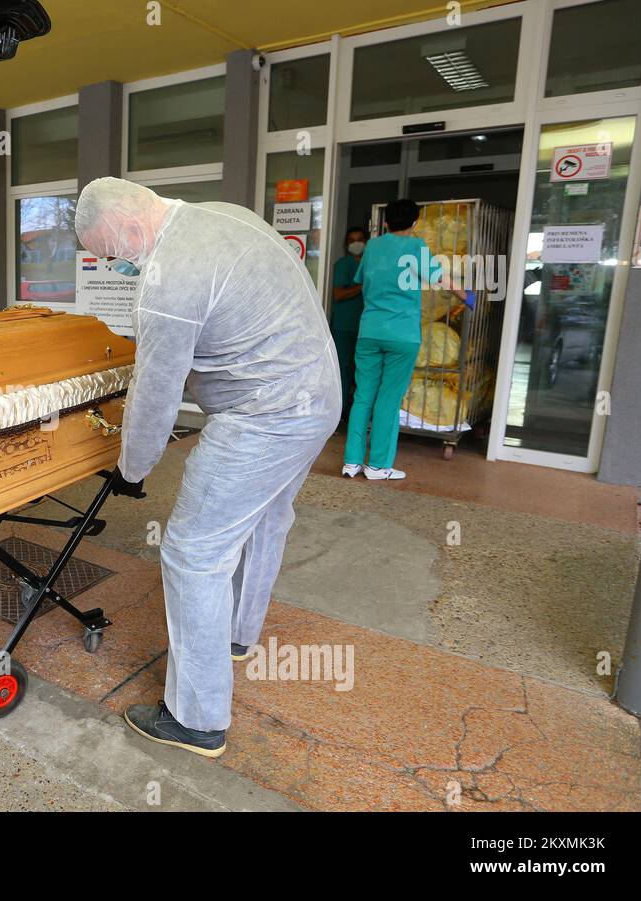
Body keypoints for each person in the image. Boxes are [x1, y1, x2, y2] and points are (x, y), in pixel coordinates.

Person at [74, 177, 340, 758]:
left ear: (131, 228)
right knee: (265, 521)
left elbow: (155, 389)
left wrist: (133, 468)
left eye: (114, 256)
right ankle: (238, 637)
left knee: (193, 553)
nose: (118, 268)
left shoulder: (168, 272)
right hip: (315, 399)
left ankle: (195, 719)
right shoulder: (223, 213)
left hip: (262, 417)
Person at [341, 199, 442, 482]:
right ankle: (377, 466)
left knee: (362, 396)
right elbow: (437, 279)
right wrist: (467, 295)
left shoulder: (372, 247)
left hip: (369, 331)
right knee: (387, 399)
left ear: (385, 222)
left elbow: (363, 280)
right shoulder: (416, 246)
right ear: (415, 222)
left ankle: (351, 462)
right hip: (402, 335)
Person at [330, 226, 368, 417]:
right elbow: (338, 293)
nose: (356, 243)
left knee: (362, 372)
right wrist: (361, 287)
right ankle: (339, 412)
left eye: (360, 239)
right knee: (342, 370)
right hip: (344, 327)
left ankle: (358, 415)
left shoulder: (371, 263)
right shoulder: (343, 265)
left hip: (366, 328)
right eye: (352, 240)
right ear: (346, 245)